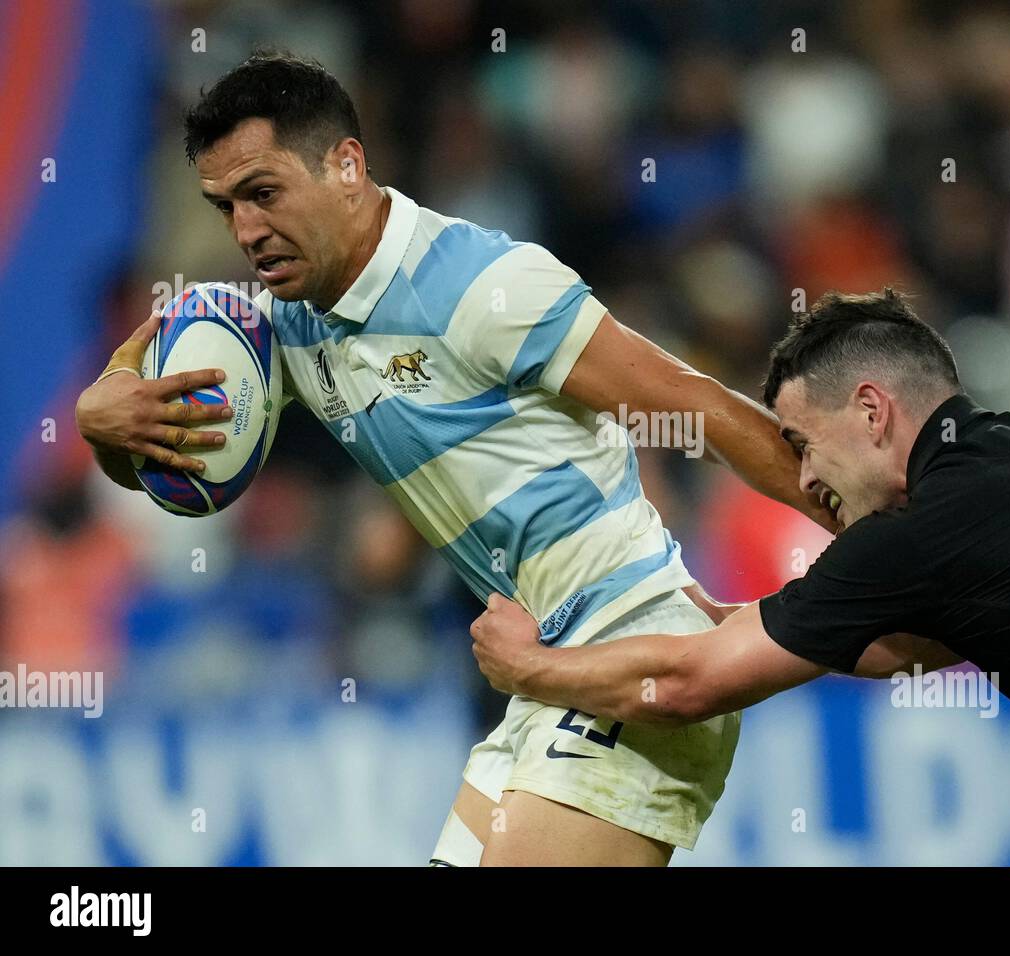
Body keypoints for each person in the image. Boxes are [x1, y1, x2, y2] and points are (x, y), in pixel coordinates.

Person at [73, 50, 836, 866]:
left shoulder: (481, 288)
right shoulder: (284, 329)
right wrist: (102, 426)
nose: (248, 230)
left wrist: (883, 531)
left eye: (264, 193)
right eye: (225, 207)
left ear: (346, 166)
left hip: (631, 645)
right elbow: (180, 474)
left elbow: (703, 415)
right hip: (539, 684)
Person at [471, 287, 1010, 836]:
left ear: (871, 410)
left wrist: (534, 669)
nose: (801, 480)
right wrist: (733, 619)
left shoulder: (923, 535)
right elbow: (912, 643)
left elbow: (690, 687)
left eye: (801, 444)